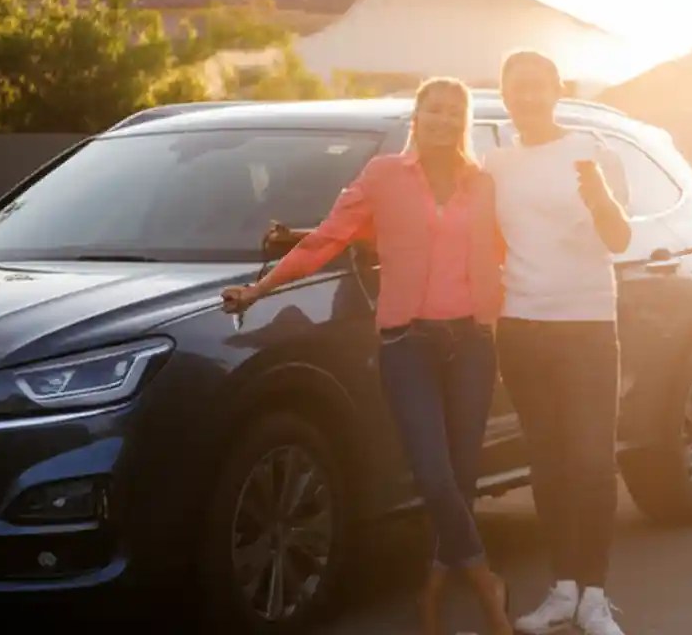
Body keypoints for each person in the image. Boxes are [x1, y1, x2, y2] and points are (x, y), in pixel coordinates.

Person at [220, 77, 513, 635]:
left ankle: (431, 596)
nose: (444, 120)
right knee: (433, 474)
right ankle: (488, 590)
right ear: (417, 117)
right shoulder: (384, 177)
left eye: (455, 112)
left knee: (463, 477)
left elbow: (510, 247)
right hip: (409, 345)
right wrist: (260, 289)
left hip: (473, 342)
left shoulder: (485, 184)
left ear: (464, 121)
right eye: (435, 110)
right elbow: (329, 238)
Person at [484, 51, 632, 635]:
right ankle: (563, 590)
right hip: (522, 327)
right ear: (505, 94)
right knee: (547, 463)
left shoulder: (593, 152)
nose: (526, 98)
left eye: (536, 88)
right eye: (515, 88)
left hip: (588, 325)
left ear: (555, 90)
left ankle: (595, 598)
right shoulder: (497, 163)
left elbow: (619, 237)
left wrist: (597, 196)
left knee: (593, 461)